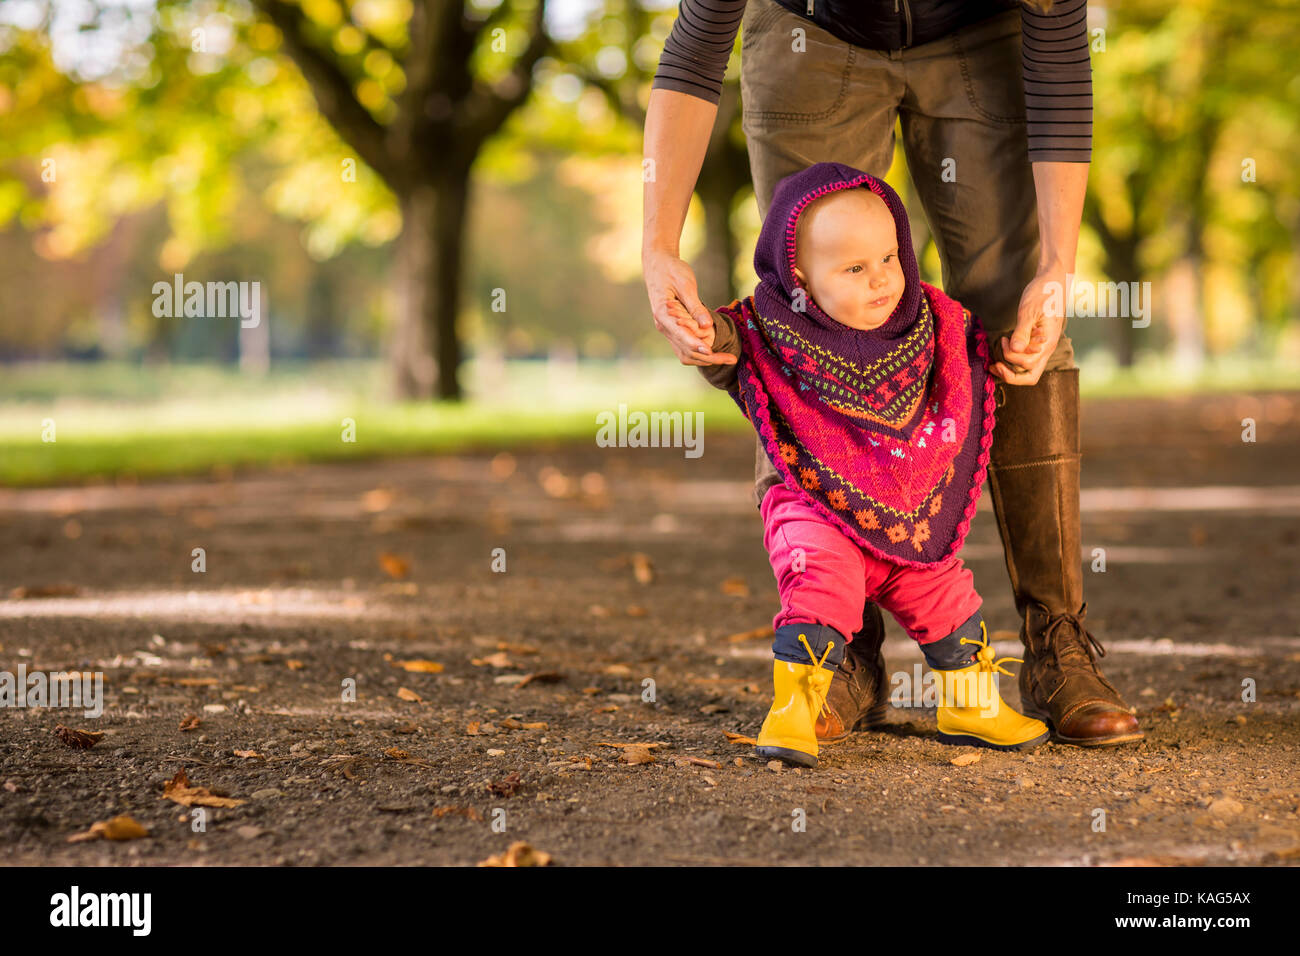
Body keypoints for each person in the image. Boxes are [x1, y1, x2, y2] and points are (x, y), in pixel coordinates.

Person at [642, 0, 1143, 746]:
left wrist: (1058, 269)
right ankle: (844, 658)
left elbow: (1060, 54)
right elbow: (698, 42)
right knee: (806, 316)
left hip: (983, 34)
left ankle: (1057, 644)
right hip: (813, 32)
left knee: (1021, 318)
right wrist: (657, 244)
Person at [688, 162, 1048, 767]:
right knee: (824, 581)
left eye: (890, 258)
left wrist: (1009, 345)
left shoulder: (927, 319)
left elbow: (969, 351)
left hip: (906, 511)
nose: (882, 280)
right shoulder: (769, 326)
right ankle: (795, 709)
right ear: (799, 273)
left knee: (946, 588)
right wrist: (705, 335)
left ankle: (969, 703)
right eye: (855, 269)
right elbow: (726, 348)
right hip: (812, 501)